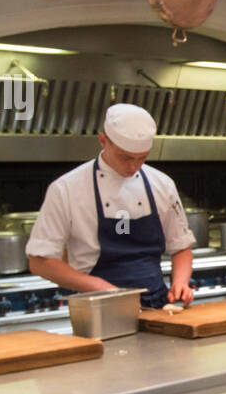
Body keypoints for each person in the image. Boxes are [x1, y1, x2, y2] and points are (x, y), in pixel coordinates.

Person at [26, 104, 196, 308]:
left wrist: (180, 283)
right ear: (103, 140)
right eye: (125, 157)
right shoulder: (67, 189)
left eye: (142, 158)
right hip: (99, 309)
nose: (133, 167)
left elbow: (181, 247)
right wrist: (100, 287)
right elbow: (39, 261)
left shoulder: (162, 184)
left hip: (158, 305)